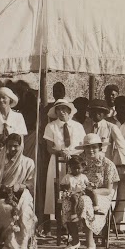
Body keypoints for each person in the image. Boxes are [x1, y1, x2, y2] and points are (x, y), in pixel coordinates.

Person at [0, 131, 37, 249]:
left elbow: (31, 183)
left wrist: (20, 186)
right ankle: (10, 245)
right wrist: (3, 187)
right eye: (10, 146)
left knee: (25, 212)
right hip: (2, 194)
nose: (13, 149)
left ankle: (23, 244)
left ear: (21, 146)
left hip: (22, 194)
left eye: (16, 146)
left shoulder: (28, 162)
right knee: (4, 209)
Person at [40, 96, 85, 226]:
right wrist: (61, 152)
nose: (61, 112)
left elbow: (82, 147)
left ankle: (74, 220)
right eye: (58, 109)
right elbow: (49, 148)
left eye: (64, 109)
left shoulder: (78, 126)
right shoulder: (51, 126)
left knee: (75, 188)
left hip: (75, 162)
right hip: (57, 161)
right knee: (58, 189)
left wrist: (72, 154)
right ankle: (60, 222)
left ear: (69, 110)